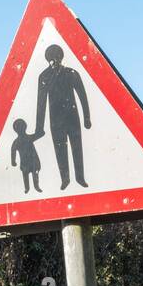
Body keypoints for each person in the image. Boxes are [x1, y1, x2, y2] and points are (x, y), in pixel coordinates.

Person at [34, 44, 91, 190]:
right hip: (56, 120)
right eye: (51, 59)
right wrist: (39, 128)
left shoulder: (71, 73)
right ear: (48, 60)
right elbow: (41, 103)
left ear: (61, 57)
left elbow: (82, 96)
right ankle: (65, 179)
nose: (54, 61)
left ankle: (80, 177)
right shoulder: (44, 76)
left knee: (76, 147)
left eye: (57, 57)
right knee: (60, 149)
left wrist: (87, 118)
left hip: (72, 117)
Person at [9, 119, 44, 194]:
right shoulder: (16, 142)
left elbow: (39, 135)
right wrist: (13, 161)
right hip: (25, 162)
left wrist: (40, 131)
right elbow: (13, 151)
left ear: (25, 127)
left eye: (22, 126)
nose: (21, 129)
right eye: (19, 127)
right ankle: (27, 188)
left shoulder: (29, 137)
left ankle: (36, 186)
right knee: (25, 176)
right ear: (16, 130)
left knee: (35, 174)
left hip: (33, 161)